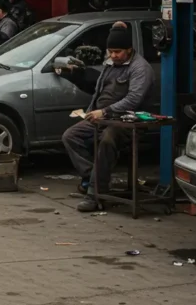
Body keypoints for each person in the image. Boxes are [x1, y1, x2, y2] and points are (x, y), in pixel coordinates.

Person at [61, 22, 155, 213]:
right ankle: (94, 178)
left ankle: (94, 193)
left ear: (129, 50)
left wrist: (105, 111)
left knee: (107, 139)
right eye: (110, 51)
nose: (113, 55)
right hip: (101, 117)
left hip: (126, 122)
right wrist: (91, 110)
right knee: (70, 136)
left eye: (117, 52)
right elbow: (99, 90)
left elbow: (134, 99)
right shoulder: (111, 63)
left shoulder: (140, 68)